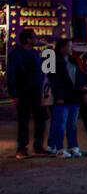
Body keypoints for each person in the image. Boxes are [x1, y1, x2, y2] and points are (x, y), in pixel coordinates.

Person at [7, 29, 47, 158]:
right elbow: (11, 74)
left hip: (37, 91)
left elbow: (40, 72)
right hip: (23, 92)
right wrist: (14, 94)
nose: (36, 39)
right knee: (23, 120)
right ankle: (22, 148)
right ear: (28, 39)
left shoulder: (36, 53)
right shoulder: (16, 54)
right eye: (34, 37)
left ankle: (38, 146)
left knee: (40, 118)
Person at [46, 38, 82, 157]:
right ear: (62, 48)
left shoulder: (73, 60)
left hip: (74, 97)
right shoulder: (54, 60)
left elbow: (78, 78)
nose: (72, 48)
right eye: (69, 46)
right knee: (60, 123)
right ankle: (59, 148)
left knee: (72, 124)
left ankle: (72, 145)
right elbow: (53, 81)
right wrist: (58, 96)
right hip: (61, 97)